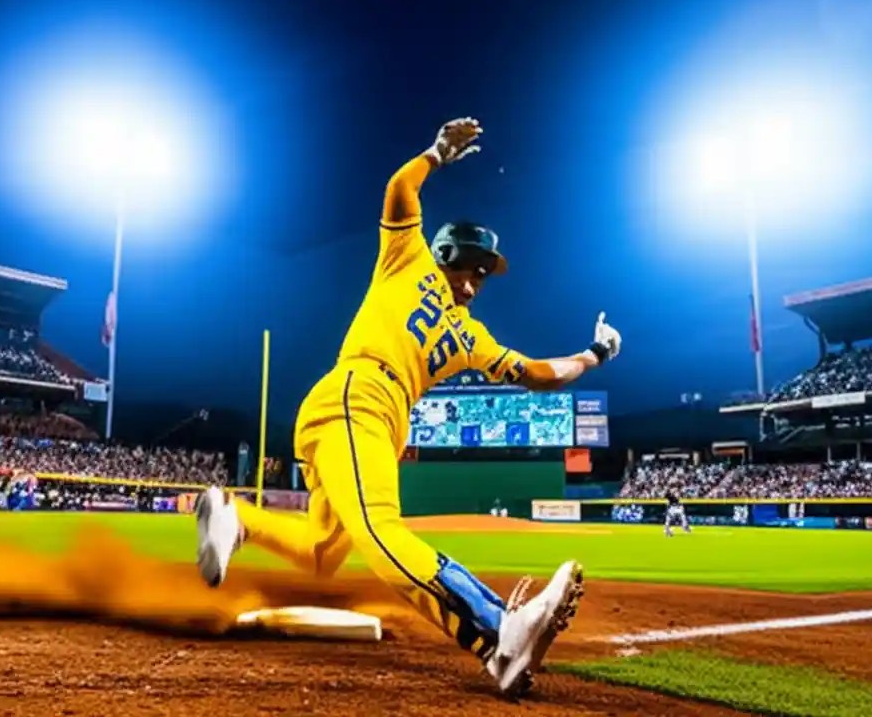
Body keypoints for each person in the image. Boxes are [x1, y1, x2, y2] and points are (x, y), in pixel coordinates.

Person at [194, 117, 621, 697]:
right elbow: (399, 192)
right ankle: (497, 631)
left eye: (483, 275)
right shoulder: (408, 259)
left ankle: (237, 518)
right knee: (380, 530)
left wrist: (594, 354)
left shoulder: (471, 335)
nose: (475, 281)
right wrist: (435, 155)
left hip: (379, 419)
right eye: (470, 266)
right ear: (446, 254)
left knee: (322, 549)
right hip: (357, 397)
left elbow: (539, 374)